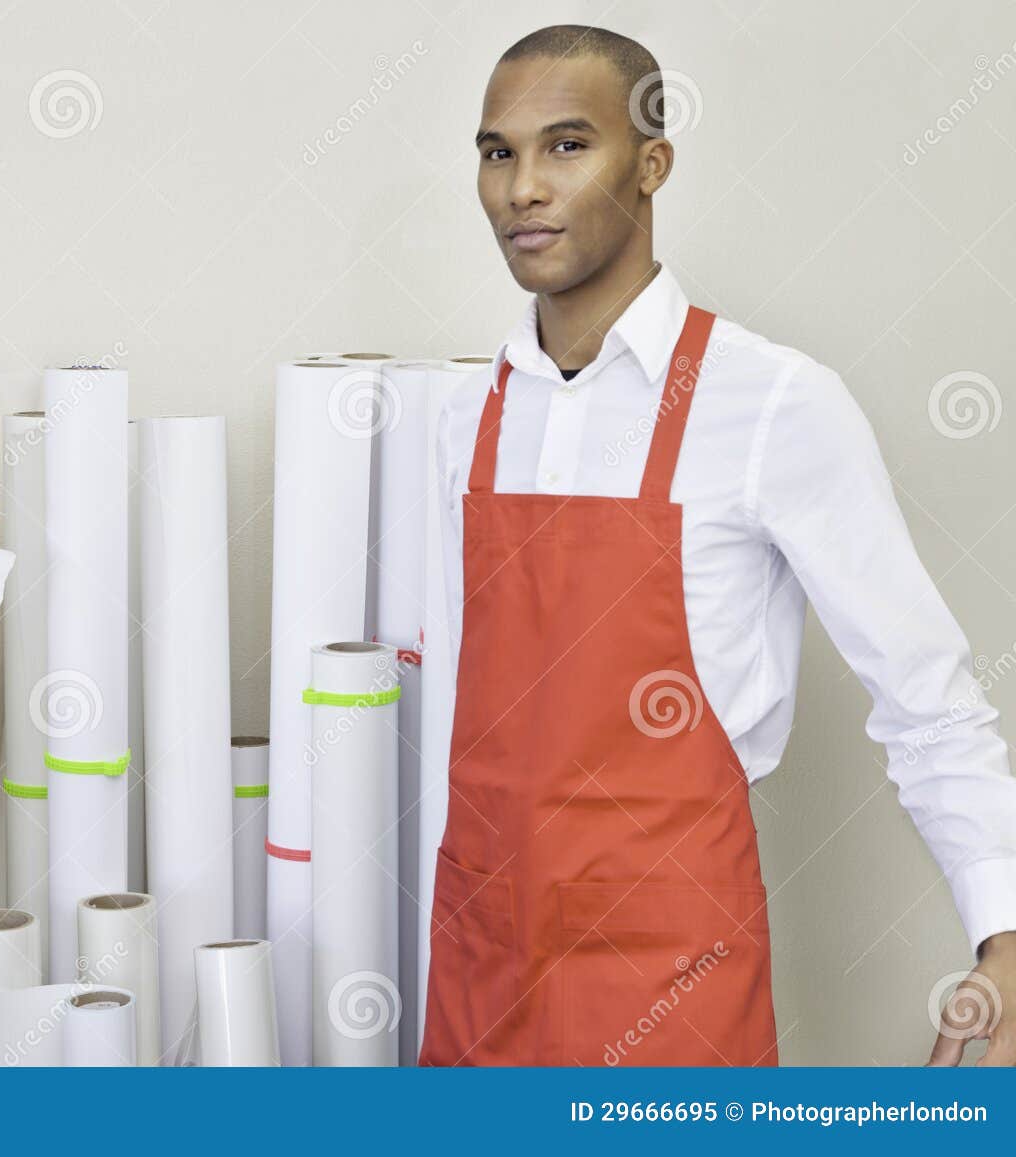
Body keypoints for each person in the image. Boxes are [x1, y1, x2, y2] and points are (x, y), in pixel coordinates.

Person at [421, 24, 1016, 1067]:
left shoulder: (773, 404)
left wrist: (1005, 939)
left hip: (669, 984)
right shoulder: (464, 417)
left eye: (567, 146)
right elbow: (453, 717)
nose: (523, 187)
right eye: (497, 152)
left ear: (651, 163)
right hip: (480, 969)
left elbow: (927, 702)